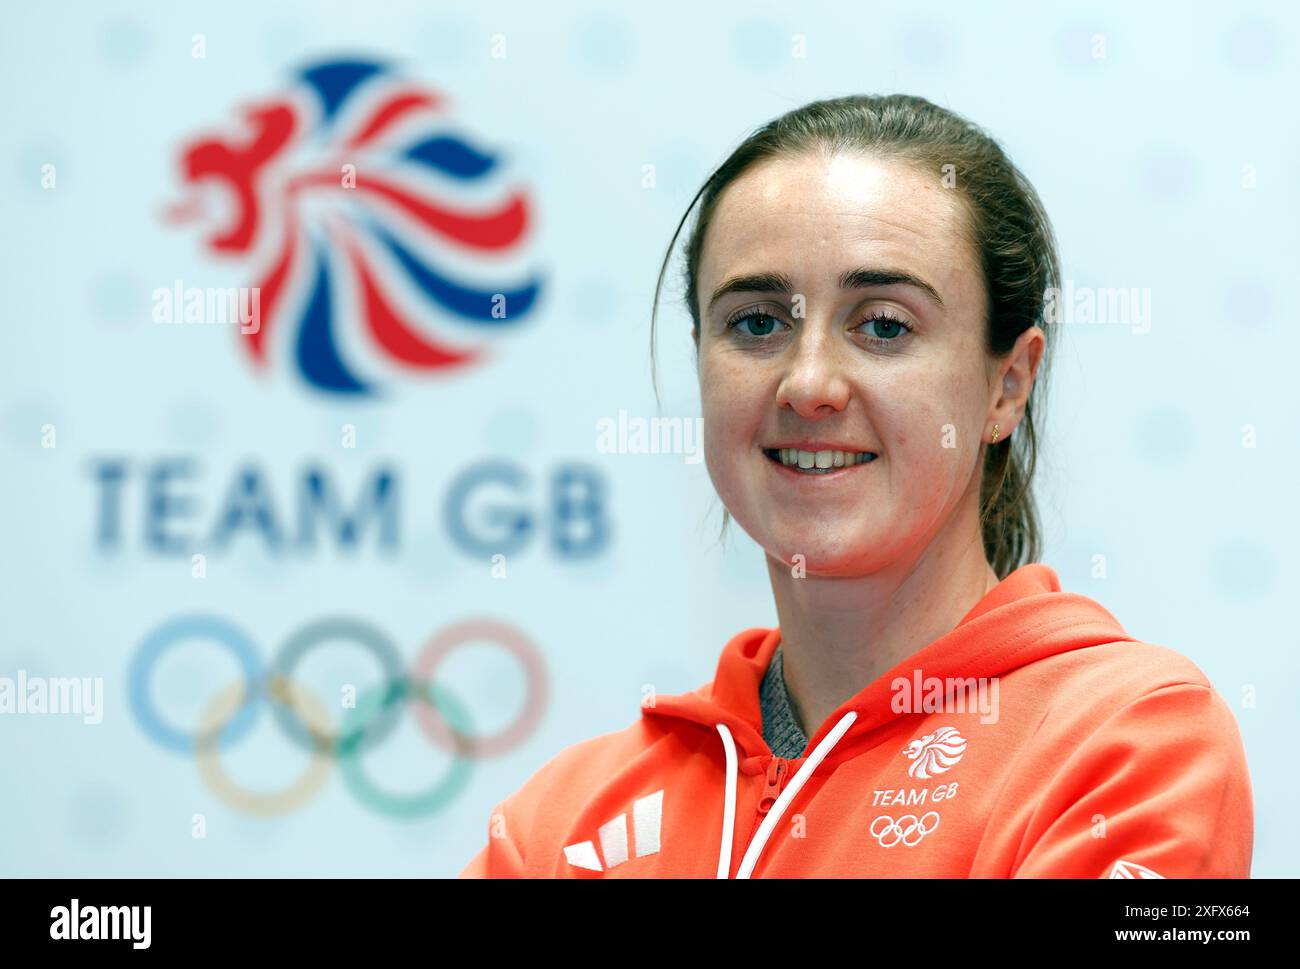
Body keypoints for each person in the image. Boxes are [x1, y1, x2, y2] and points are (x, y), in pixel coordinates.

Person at [458, 94, 1253, 878]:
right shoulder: (563, 823)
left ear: (1007, 385)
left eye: (883, 325)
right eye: (757, 323)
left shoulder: (1131, 742)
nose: (808, 384)